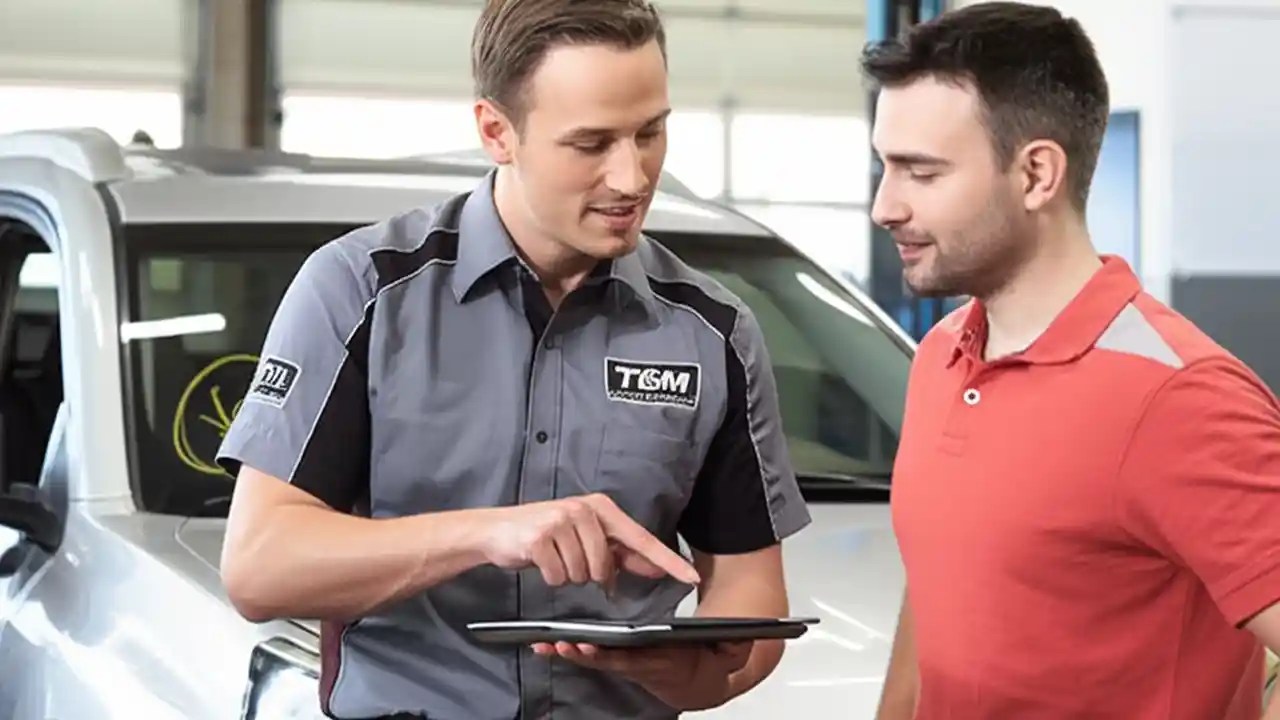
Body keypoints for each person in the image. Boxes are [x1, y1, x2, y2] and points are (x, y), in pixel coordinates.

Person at [215, 1, 811, 718]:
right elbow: (259, 566)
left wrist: (705, 676)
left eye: (650, 132)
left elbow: (752, 592)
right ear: (497, 131)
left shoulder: (713, 333)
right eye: (591, 144)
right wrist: (490, 531)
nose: (631, 177)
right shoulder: (361, 293)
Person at [862, 3, 1280, 719]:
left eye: (919, 173)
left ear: (1036, 175)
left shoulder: (1181, 397)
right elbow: (936, 605)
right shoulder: (941, 355)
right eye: (885, 167)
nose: (883, 206)